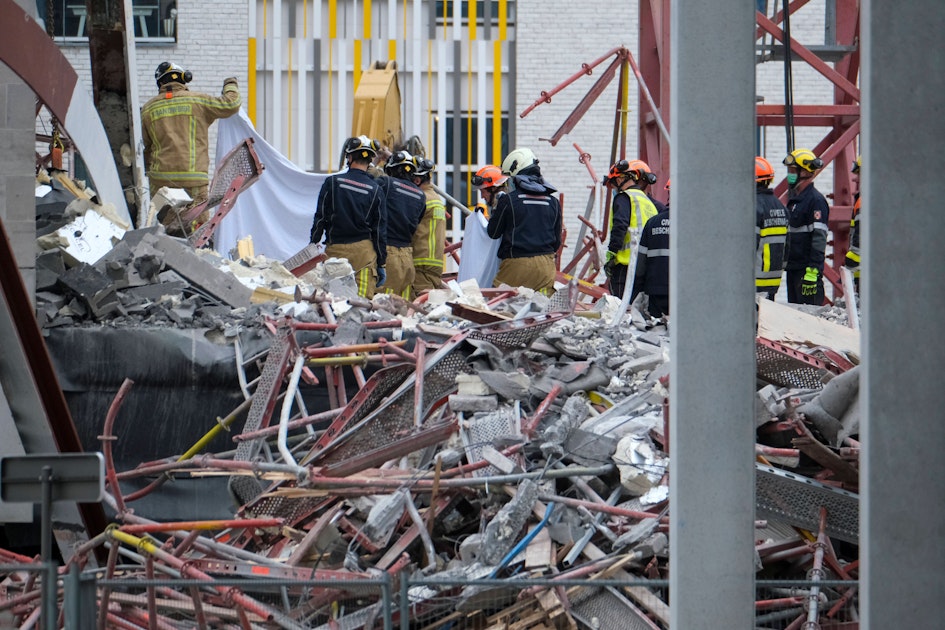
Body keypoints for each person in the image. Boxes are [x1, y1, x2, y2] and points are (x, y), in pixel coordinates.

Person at [141, 62, 241, 233]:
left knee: (161, 228)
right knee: (196, 230)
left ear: (160, 83)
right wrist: (230, 84)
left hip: (160, 181)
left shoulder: (148, 109)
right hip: (193, 180)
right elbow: (231, 104)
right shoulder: (198, 101)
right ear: (184, 78)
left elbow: (146, 148)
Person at [309, 135, 387, 298]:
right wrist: (381, 263)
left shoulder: (332, 183)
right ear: (370, 160)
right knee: (363, 304)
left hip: (335, 252)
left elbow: (320, 218)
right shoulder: (375, 190)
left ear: (349, 157)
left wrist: (313, 244)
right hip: (364, 255)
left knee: (333, 302)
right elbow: (379, 231)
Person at [486, 148, 562, 295]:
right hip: (546, 267)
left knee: (499, 306)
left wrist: (495, 209)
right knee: (540, 312)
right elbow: (556, 242)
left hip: (517, 265)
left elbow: (493, 233)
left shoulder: (508, 201)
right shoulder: (553, 202)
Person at [603, 159, 659, 298]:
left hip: (625, 265)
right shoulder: (649, 202)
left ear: (621, 178)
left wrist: (612, 254)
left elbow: (620, 226)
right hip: (646, 266)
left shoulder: (624, 198)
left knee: (621, 307)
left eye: (615, 183)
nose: (615, 188)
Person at [783, 148, 829, 305]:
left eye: (792, 170)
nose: (789, 174)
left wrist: (813, 272)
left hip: (807, 273)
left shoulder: (815, 201)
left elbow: (819, 238)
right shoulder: (796, 201)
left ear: (805, 171)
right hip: (794, 269)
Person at [377, 150, 425, 298]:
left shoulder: (386, 183)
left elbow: (367, 189)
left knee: (383, 302)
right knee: (403, 304)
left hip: (387, 254)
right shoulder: (420, 195)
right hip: (407, 258)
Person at [410, 157, 447, 296]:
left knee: (417, 306)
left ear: (417, 180)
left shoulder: (420, 199)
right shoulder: (436, 198)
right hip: (434, 263)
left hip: (420, 263)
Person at [754, 156, 790, 300]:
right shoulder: (780, 206)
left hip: (754, 279)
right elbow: (787, 246)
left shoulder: (754, 206)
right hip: (773, 280)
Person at [630, 200, 670, 318]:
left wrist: (636, 293)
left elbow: (640, 265)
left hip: (655, 290)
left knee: (657, 330)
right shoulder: (693, 225)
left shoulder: (652, 222)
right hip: (684, 291)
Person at [844, 155, 862, 290]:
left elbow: (860, 235)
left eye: (859, 174)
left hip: (865, 270)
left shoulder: (864, 201)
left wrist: (851, 262)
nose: (856, 178)